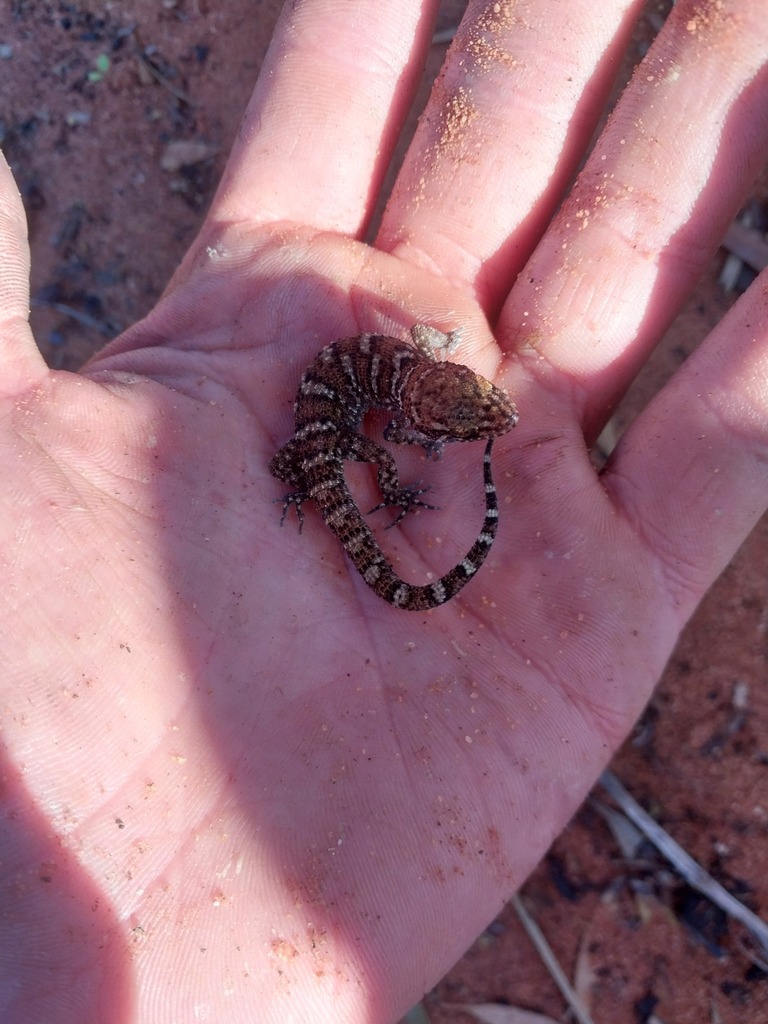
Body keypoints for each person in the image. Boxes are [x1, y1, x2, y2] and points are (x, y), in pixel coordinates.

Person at [1, 1, 766, 1021]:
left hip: (333, 455)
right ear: (424, 407)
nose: (484, 424)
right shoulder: (391, 396)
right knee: (341, 483)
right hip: (333, 456)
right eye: (471, 424)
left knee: (339, 479)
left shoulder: (403, 383)